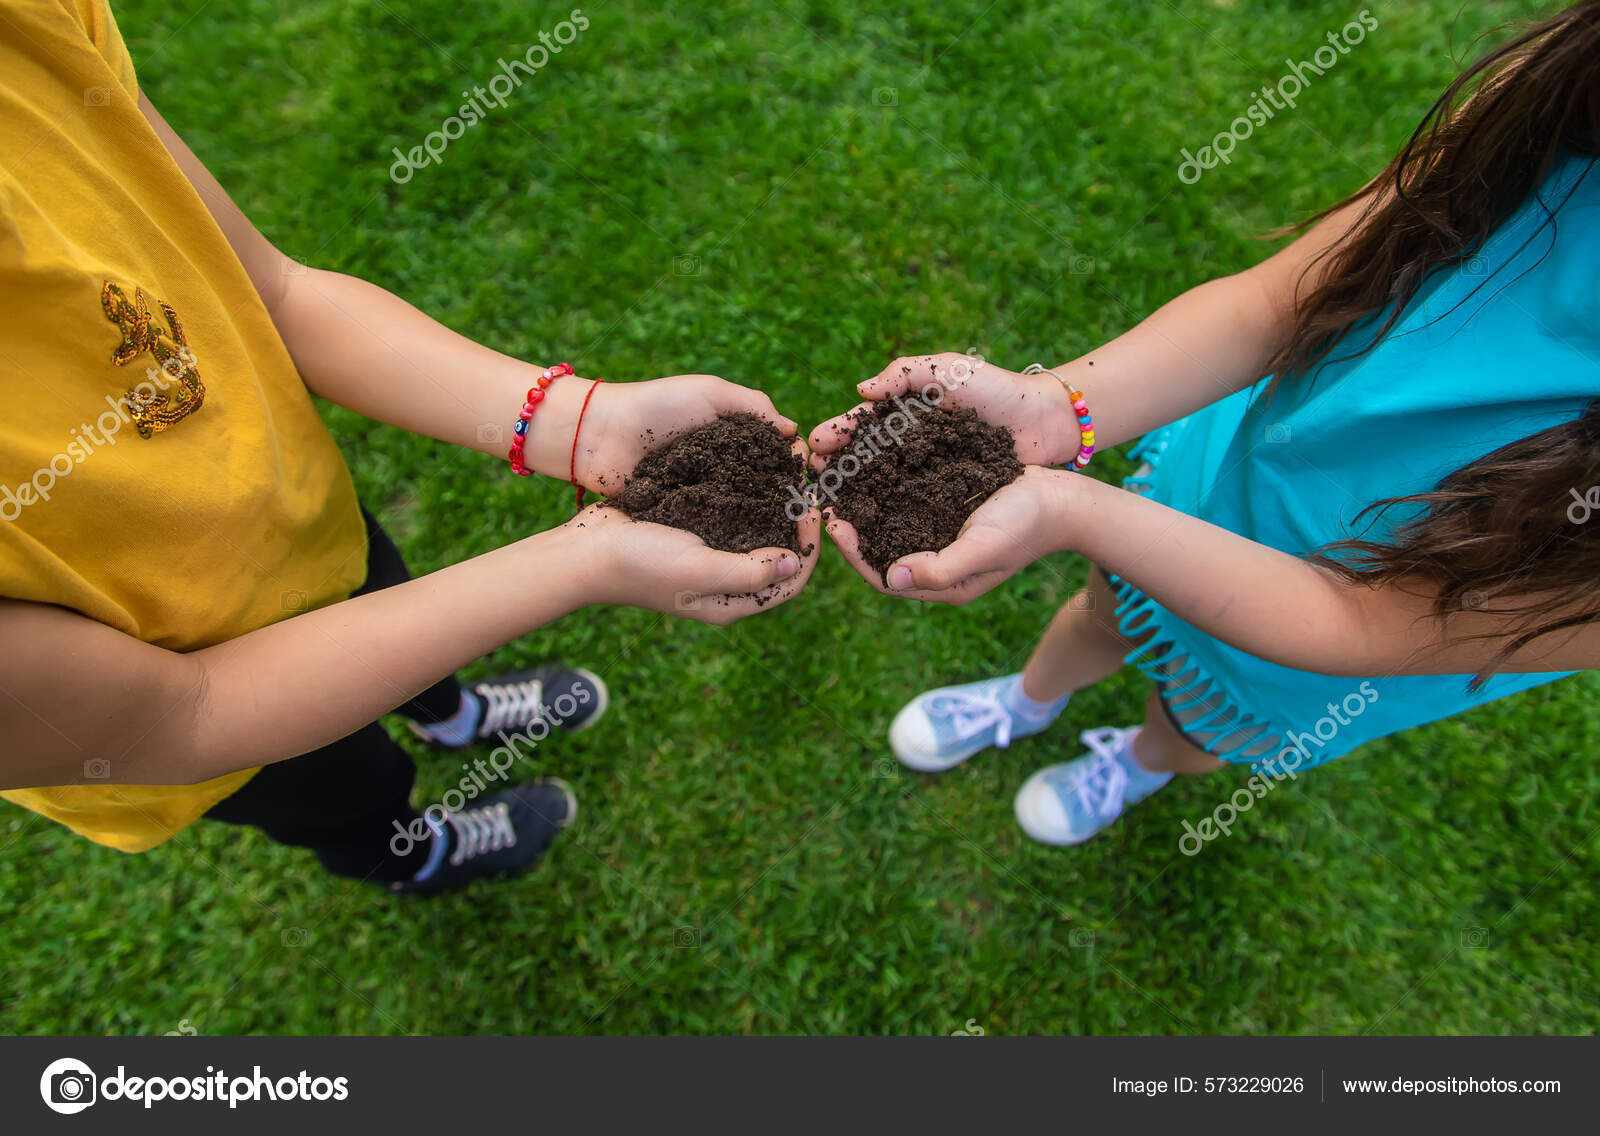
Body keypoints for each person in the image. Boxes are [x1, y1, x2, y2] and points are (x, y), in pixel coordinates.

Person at [0, 0, 818, 894]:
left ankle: (451, 712)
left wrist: (587, 423)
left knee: (403, 615)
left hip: (308, 520)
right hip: (200, 719)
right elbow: (186, 713)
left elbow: (268, 290)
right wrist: (593, 561)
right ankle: (412, 854)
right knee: (351, 786)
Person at [812, 2, 1600, 846]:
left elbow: (1363, 623)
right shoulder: (1569, 102)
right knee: (1110, 609)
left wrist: (1075, 512)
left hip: (1347, 637)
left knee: (1200, 721)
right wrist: (1057, 407)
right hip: (1230, 477)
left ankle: (1143, 760)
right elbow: (1277, 303)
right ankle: (1029, 700)